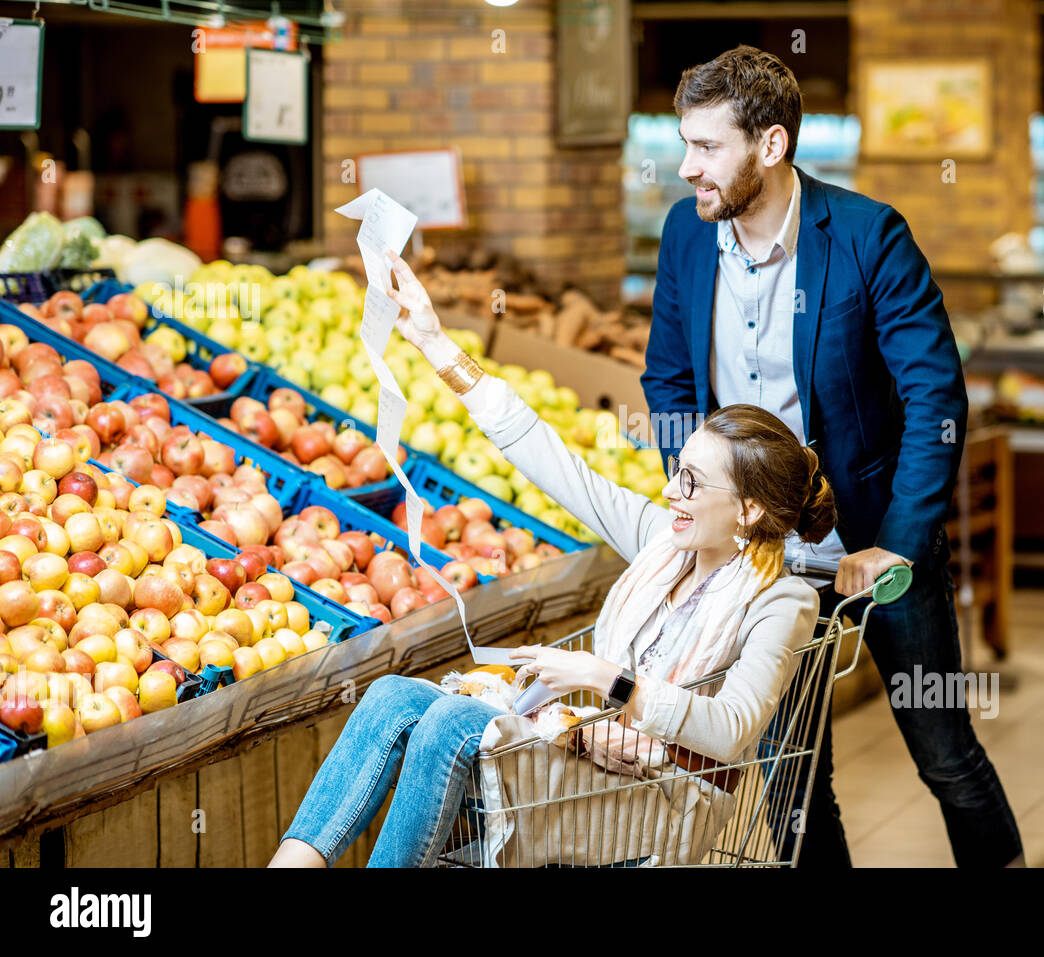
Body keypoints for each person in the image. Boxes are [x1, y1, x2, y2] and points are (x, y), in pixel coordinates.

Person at [268, 250, 839, 868]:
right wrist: (435, 345)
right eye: (678, 472)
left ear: (750, 511)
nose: (671, 491)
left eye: (694, 484)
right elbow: (552, 460)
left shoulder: (784, 598)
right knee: (389, 697)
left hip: (661, 800)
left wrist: (606, 680)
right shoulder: (661, 540)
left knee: (452, 724)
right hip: (594, 758)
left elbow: (732, 729)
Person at [640, 46, 1023, 867]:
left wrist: (901, 541)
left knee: (945, 756)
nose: (686, 168)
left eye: (706, 148)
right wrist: (687, 504)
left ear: (770, 146)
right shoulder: (686, 234)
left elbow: (935, 398)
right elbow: (669, 380)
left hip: (879, 544)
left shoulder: (866, 235)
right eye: (685, 143)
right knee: (788, 774)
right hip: (761, 561)